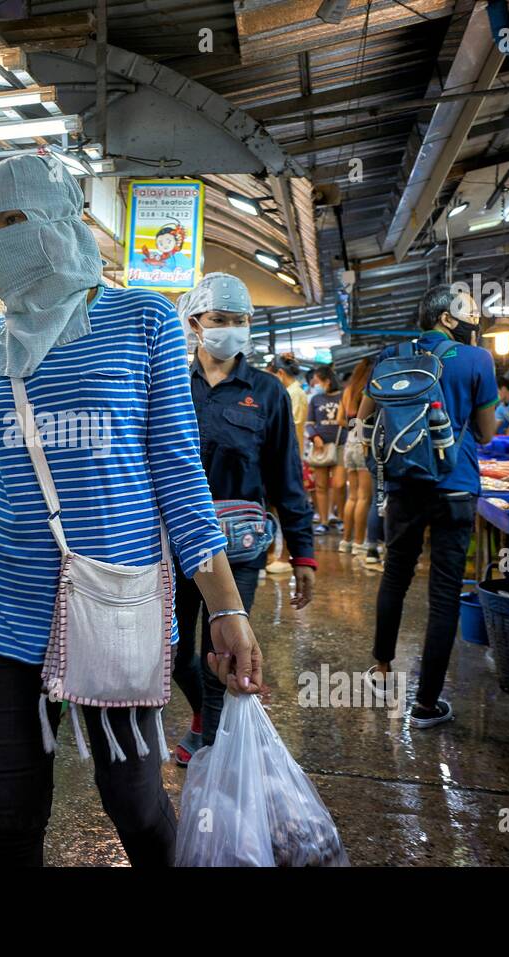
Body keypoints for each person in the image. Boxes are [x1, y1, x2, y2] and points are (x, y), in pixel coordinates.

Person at [0, 154, 263, 867]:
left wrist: (229, 609)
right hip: (5, 621)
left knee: (138, 806)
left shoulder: (146, 321)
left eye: (15, 223)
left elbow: (179, 476)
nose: (2, 245)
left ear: (65, 221)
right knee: (10, 817)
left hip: (117, 610)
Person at [172, 273, 316, 765]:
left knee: (226, 651)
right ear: (195, 323)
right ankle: (202, 718)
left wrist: (303, 554)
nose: (230, 330)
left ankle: (215, 754)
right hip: (170, 545)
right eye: (219, 320)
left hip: (238, 549)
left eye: (239, 321)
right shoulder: (167, 379)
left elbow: (286, 476)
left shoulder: (267, 392)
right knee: (171, 654)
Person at [360, 283, 498, 728]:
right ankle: (425, 704)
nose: (473, 319)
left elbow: (365, 414)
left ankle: (381, 668)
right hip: (456, 487)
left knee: (395, 577)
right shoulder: (477, 360)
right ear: (444, 317)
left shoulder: (391, 354)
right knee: (444, 595)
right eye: (467, 311)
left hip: (403, 485)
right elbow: (488, 432)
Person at [266, 353, 309, 575]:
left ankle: (284, 556)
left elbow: (287, 428)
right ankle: (273, 553)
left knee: (286, 507)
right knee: (275, 506)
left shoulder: (294, 394)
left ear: (280, 374)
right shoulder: (291, 392)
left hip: (288, 457)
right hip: (284, 456)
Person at [337, 357, 375, 556]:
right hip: (364, 441)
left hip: (350, 441)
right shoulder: (369, 390)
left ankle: (346, 541)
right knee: (363, 497)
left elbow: (341, 420)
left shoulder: (348, 391)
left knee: (352, 496)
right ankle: (360, 542)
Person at [306, 365, 345, 534]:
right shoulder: (315, 399)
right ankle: (323, 521)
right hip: (320, 447)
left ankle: (342, 518)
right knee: (320, 486)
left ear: (327, 381)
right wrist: (315, 437)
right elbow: (309, 424)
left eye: (317, 380)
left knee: (339, 485)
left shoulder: (344, 397)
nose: (315, 383)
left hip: (341, 445)